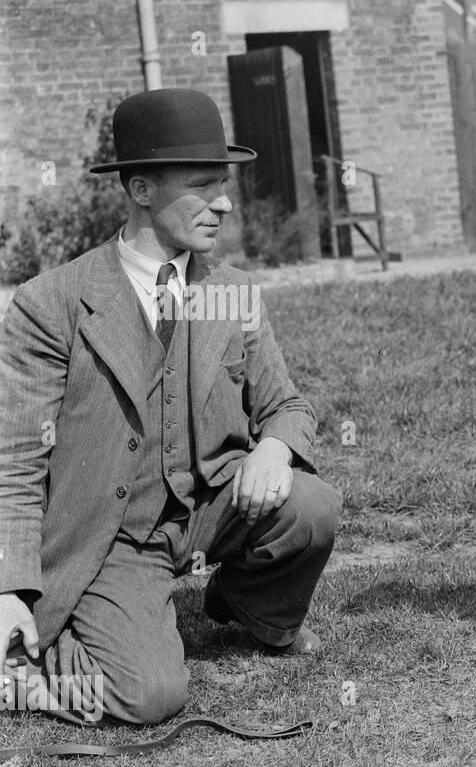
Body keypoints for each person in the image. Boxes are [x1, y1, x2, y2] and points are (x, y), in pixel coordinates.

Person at [0, 87, 341, 726]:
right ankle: (25, 677)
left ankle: (252, 614)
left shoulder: (230, 292)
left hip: (209, 509)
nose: (225, 203)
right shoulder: (54, 304)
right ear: (140, 190)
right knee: (151, 696)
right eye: (202, 186)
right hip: (113, 535)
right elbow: (13, 462)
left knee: (312, 504)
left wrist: (272, 447)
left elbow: (287, 405)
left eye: (225, 184)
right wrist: (11, 592)